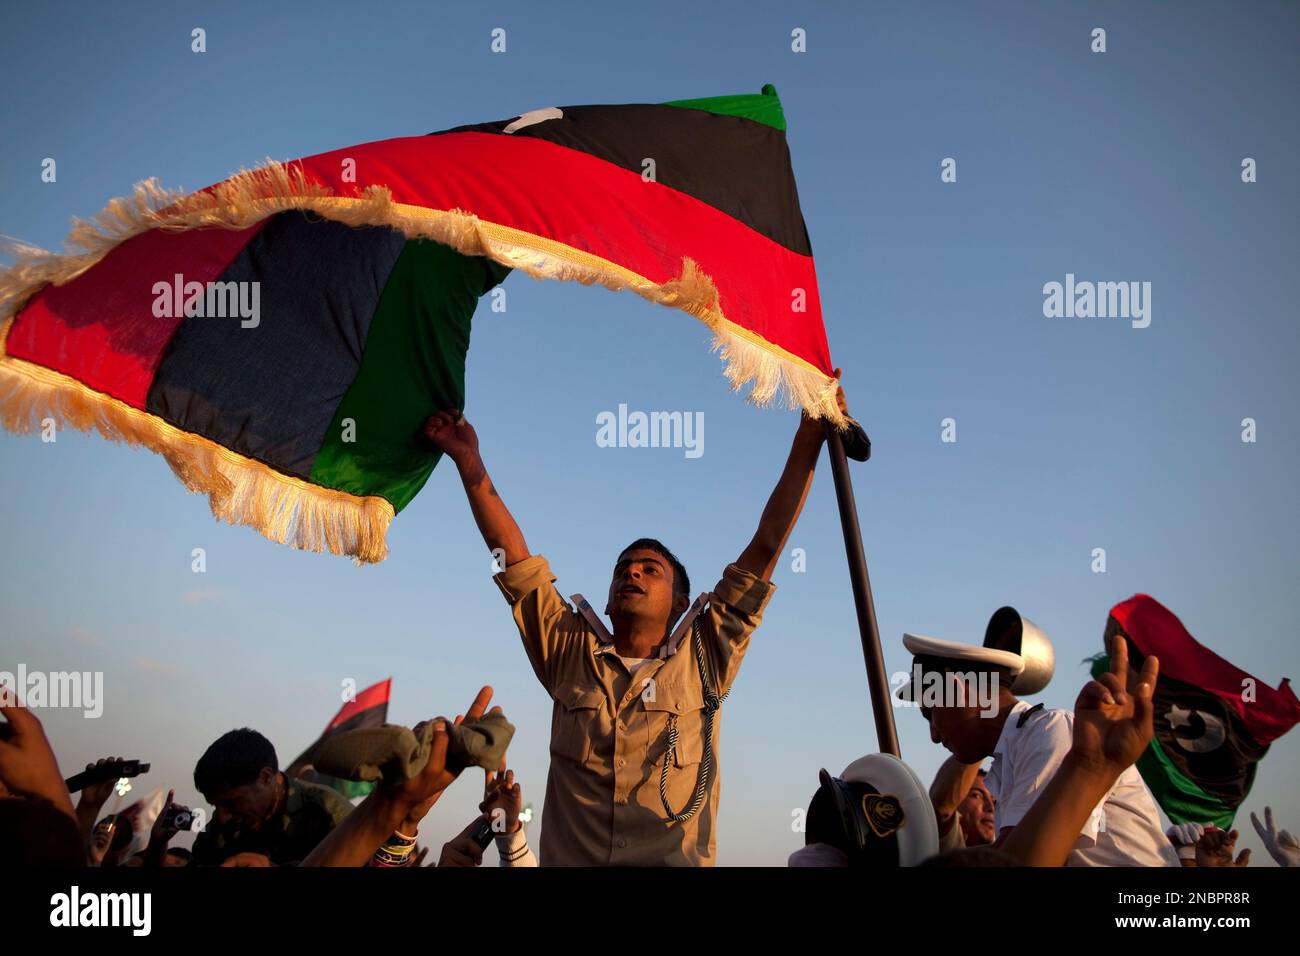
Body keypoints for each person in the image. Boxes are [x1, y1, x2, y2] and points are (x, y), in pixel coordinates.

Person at [423, 380, 849, 866]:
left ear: (680, 602)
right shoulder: (567, 650)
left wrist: (809, 438)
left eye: (651, 570)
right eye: (623, 568)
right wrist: (469, 462)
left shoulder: (708, 653)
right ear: (606, 603)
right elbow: (515, 561)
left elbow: (767, 546)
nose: (632, 573)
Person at [900, 630, 1179, 866]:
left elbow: (1020, 862)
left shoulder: (1049, 731)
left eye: (930, 713)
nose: (933, 734)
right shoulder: (1014, 756)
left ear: (957, 690)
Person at [191, 727, 352, 866]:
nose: (222, 817)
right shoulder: (223, 823)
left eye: (231, 803)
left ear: (265, 777)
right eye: (215, 806)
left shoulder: (329, 816)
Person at [930, 758, 995, 850]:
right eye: (976, 795)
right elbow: (941, 806)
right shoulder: (949, 845)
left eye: (995, 801)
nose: (991, 807)